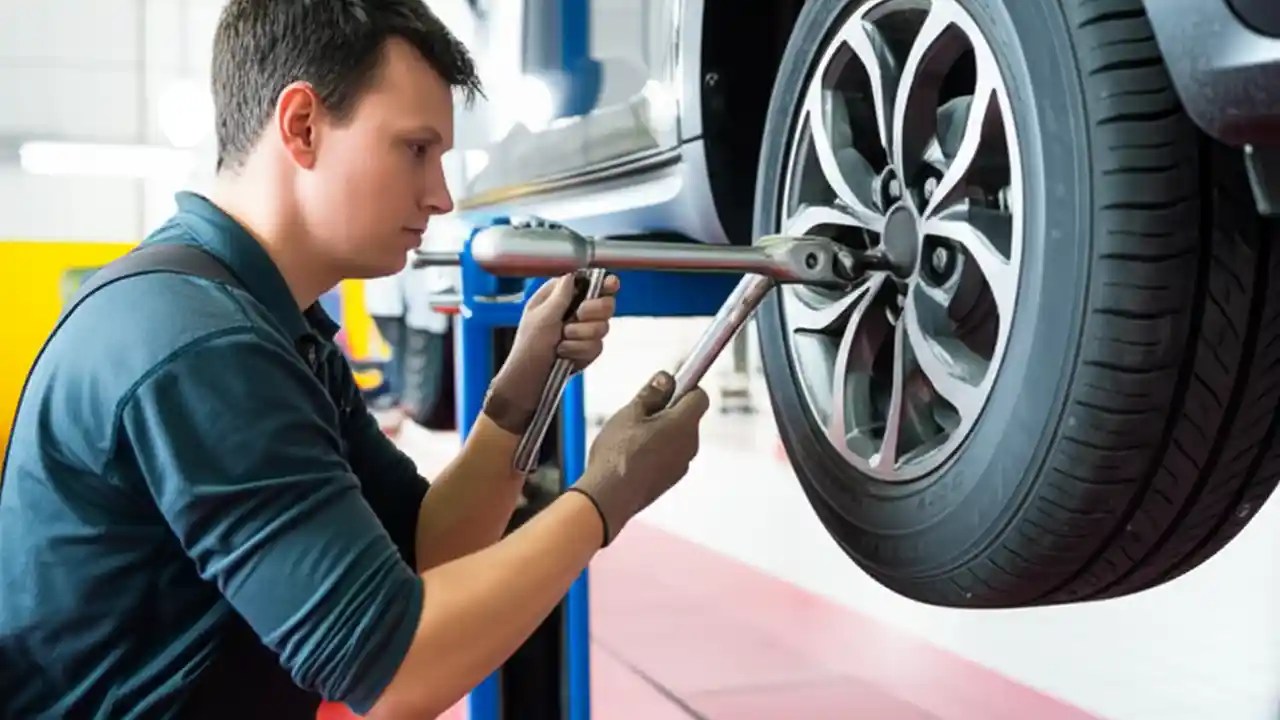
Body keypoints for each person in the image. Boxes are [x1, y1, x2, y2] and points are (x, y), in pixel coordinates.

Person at [0, 2, 709, 718]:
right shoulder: (201, 346)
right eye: (415, 150)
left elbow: (423, 548)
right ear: (302, 126)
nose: (440, 196)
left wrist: (518, 396)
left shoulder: (272, 323)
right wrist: (605, 499)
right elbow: (394, 672)